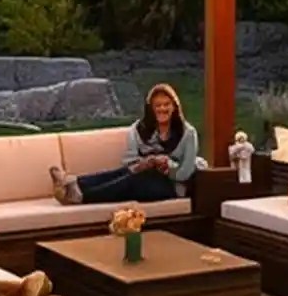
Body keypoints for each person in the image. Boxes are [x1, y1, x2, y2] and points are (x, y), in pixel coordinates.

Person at [48, 83, 199, 205]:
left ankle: (81, 196)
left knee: (136, 179)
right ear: (151, 109)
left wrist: (167, 164)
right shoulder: (140, 129)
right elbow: (128, 161)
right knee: (121, 173)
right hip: (144, 173)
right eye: (157, 106)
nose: (162, 109)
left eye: (167, 105)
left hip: (172, 186)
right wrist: (144, 163)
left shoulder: (188, 133)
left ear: (174, 107)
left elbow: (185, 173)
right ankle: (73, 182)